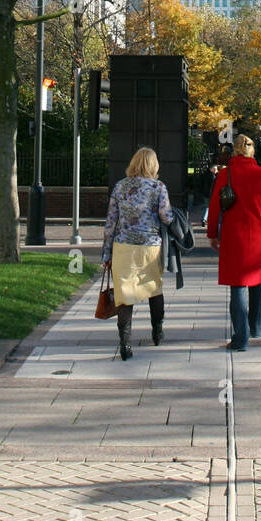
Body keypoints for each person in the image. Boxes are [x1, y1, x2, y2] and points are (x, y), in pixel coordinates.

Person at [102, 146, 174, 360]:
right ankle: (157, 331)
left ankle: (125, 344)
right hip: (150, 246)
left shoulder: (120, 187)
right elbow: (166, 217)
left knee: (125, 295)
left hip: (123, 247)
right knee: (154, 289)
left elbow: (110, 223)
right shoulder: (158, 187)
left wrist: (106, 254)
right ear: (153, 165)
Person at [207, 133, 261, 351]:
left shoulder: (225, 175)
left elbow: (216, 207)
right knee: (257, 281)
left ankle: (240, 337)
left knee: (238, 285)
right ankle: (256, 326)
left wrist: (212, 234)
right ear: (252, 150)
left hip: (233, 234)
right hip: (257, 234)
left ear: (235, 151)